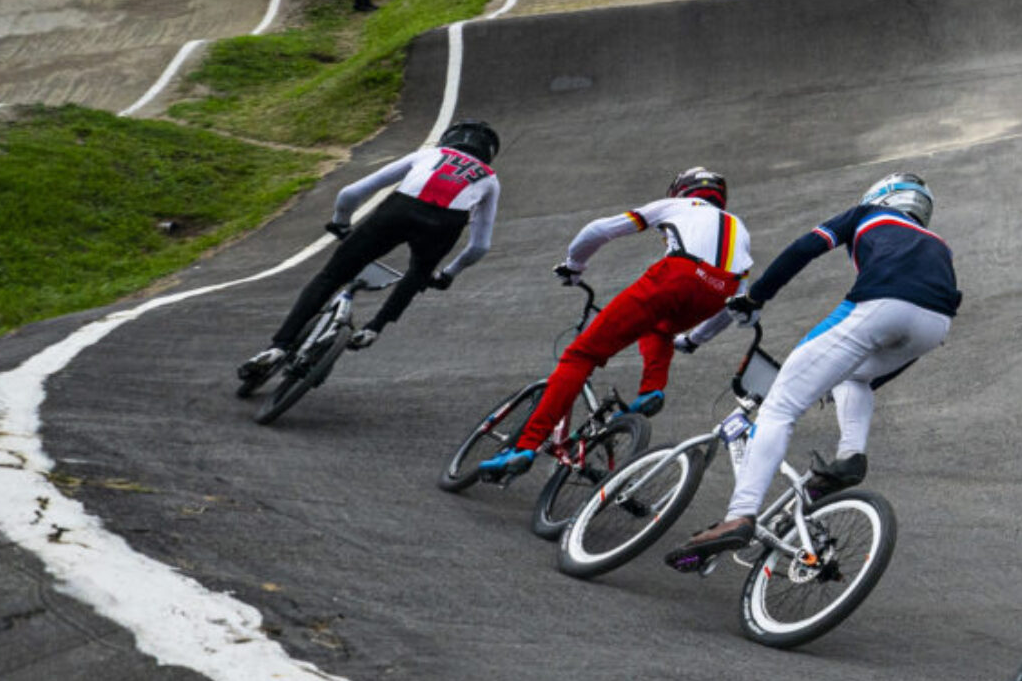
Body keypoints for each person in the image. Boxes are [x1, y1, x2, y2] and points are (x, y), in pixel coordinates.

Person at [664, 173, 960, 569]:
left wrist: (756, 297)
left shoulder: (867, 213)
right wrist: (843, 378)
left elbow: (805, 248)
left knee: (780, 408)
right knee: (854, 376)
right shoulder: (939, 245)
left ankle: (739, 515)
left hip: (881, 302)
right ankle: (850, 455)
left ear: (883, 196)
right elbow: (904, 345)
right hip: (935, 325)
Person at [470, 169, 754, 480]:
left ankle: (525, 446)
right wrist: (694, 339)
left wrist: (574, 264)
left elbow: (598, 230)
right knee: (661, 326)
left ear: (681, 190)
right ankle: (652, 389)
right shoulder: (738, 227)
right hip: (718, 291)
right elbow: (736, 301)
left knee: (580, 356)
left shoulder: (678, 206)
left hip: (677, 274)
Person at [237, 121, 503, 392]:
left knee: (330, 277)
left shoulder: (429, 154)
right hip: (445, 224)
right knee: (418, 273)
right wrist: (448, 274)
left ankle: (279, 347)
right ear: (489, 153)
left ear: (448, 139)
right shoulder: (490, 179)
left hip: (399, 210)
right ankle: (374, 328)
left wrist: (340, 223)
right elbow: (479, 247)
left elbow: (350, 193)